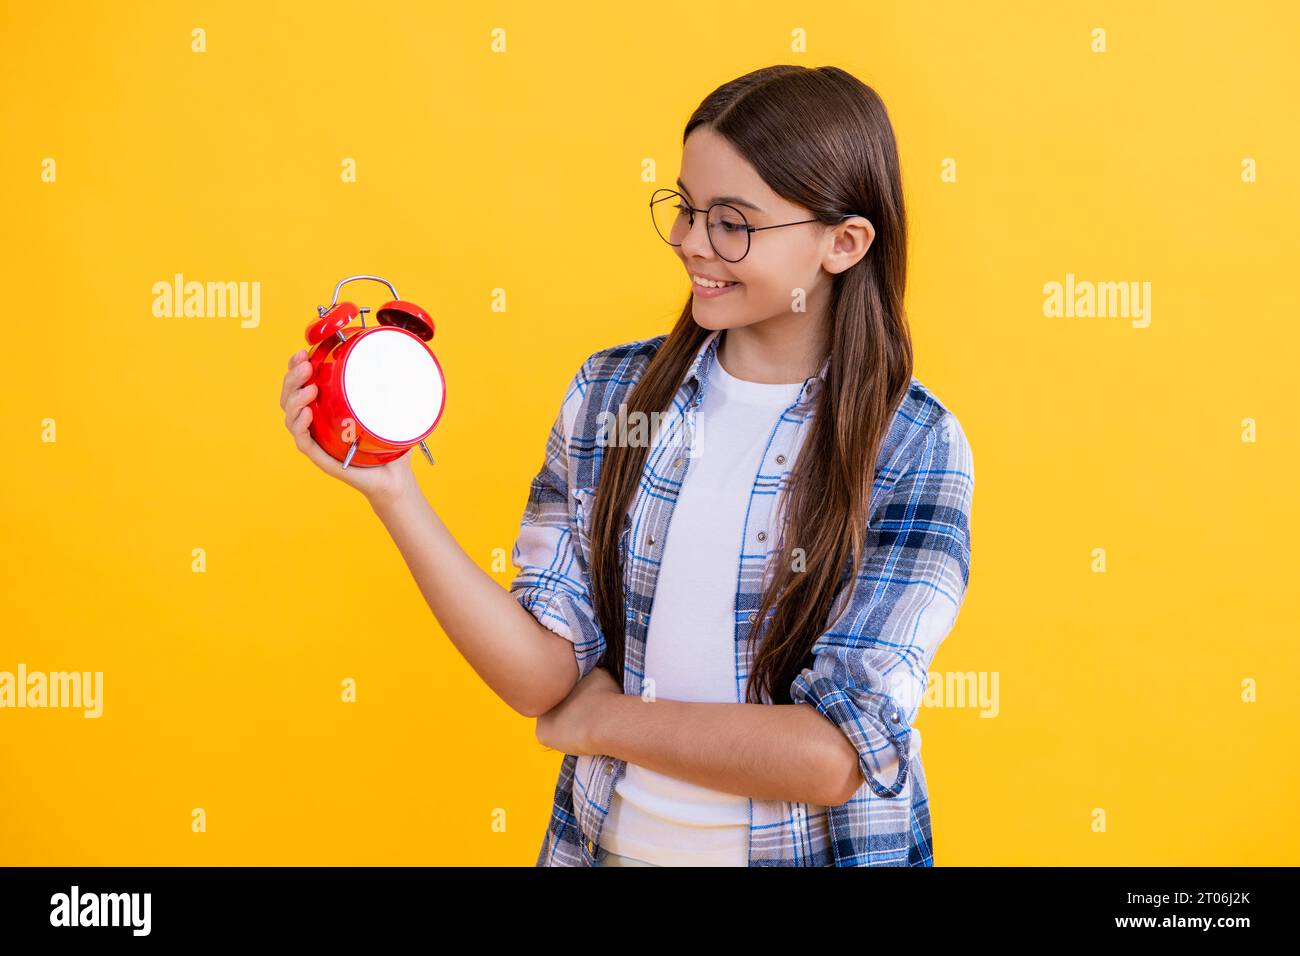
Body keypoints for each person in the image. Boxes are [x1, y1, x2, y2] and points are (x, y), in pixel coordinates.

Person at [279, 64, 974, 867]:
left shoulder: (914, 444)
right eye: (685, 208)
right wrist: (393, 492)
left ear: (844, 242)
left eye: (733, 223)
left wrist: (603, 721)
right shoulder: (612, 395)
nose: (691, 243)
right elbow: (539, 675)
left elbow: (831, 757)